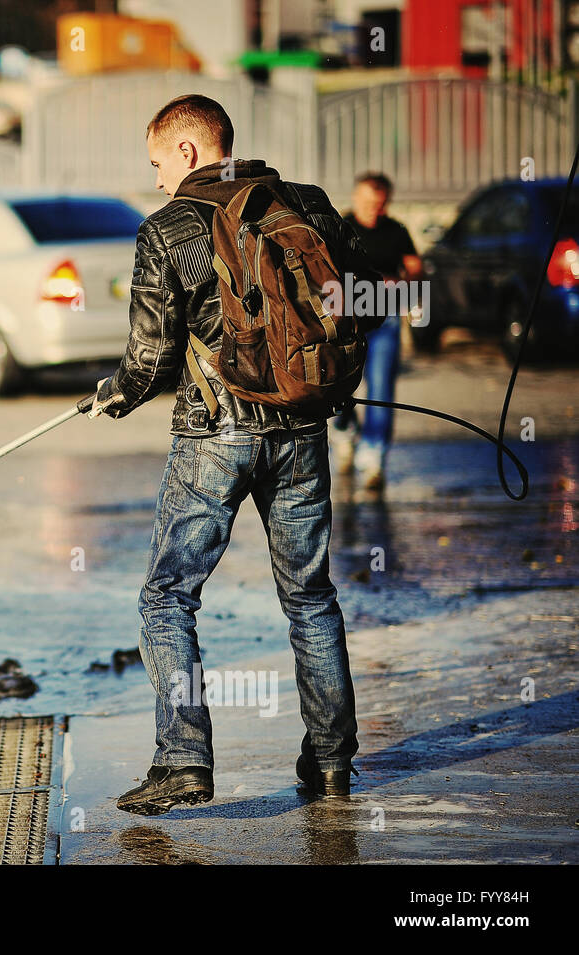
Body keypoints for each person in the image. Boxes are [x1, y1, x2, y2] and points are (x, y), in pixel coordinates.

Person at [88, 94, 382, 814]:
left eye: (157, 162)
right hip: (303, 429)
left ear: (189, 152)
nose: (156, 180)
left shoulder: (166, 229)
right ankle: (332, 761)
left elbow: (152, 359)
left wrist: (115, 394)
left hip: (214, 434)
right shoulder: (307, 204)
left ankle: (183, 760)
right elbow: (361, 306)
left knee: (167, 597)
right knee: (310, 596)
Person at [329, 172, 422, 490]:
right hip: (346, 321)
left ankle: (373, 459)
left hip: (385, 321)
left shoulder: (396, 231)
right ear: (356, 199)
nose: (374, 211)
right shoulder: (340, 227)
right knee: (341, 389)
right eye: (368, 204)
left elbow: (415, 268)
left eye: (380, 205)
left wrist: (402, 283)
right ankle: (343, 431)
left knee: (381, 389)